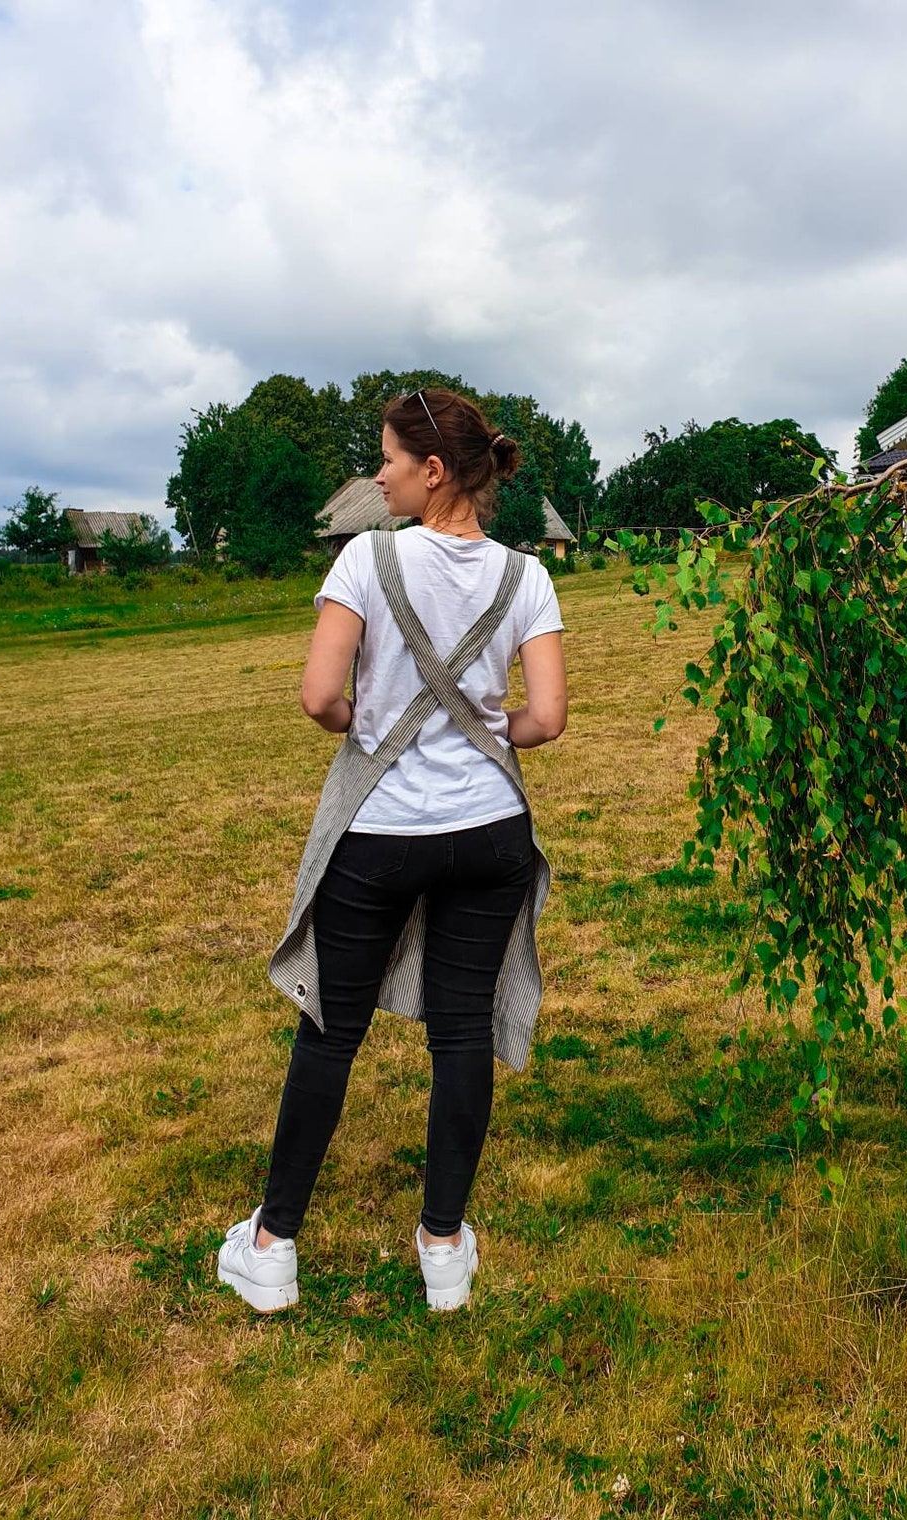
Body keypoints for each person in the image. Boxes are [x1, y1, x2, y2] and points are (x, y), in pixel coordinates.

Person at [217, 388, 568, 1313]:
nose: (378, 476)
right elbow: (549, 718)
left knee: (331, 1033)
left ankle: (273, 1247)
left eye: (387, 461)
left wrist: (366, 723)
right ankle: (445, 1254)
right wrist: (494, 726)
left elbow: (319, 696)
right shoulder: (525, 575)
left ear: (434, 470)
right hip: (490, 832)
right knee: (462, 1034)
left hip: (382, 832)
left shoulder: (365, 562)